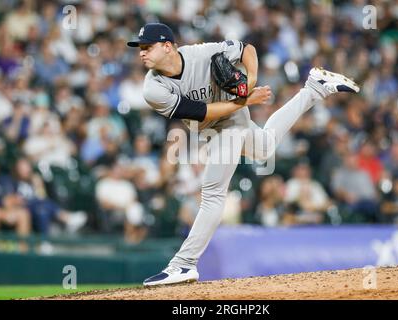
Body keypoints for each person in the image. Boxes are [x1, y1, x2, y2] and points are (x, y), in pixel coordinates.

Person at [128, 23, 359, 286]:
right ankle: (314, 89)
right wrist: (245, 99)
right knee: (264, 147)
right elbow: (201, 112)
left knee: (213, 194)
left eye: (147, 47)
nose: (141, 53)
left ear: (167, 46)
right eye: (140, 48)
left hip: (232, 121)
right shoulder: (152, 89)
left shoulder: (202, 54)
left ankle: (183, 264)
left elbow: (247, 49)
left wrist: (249, 81)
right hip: (211, 123)